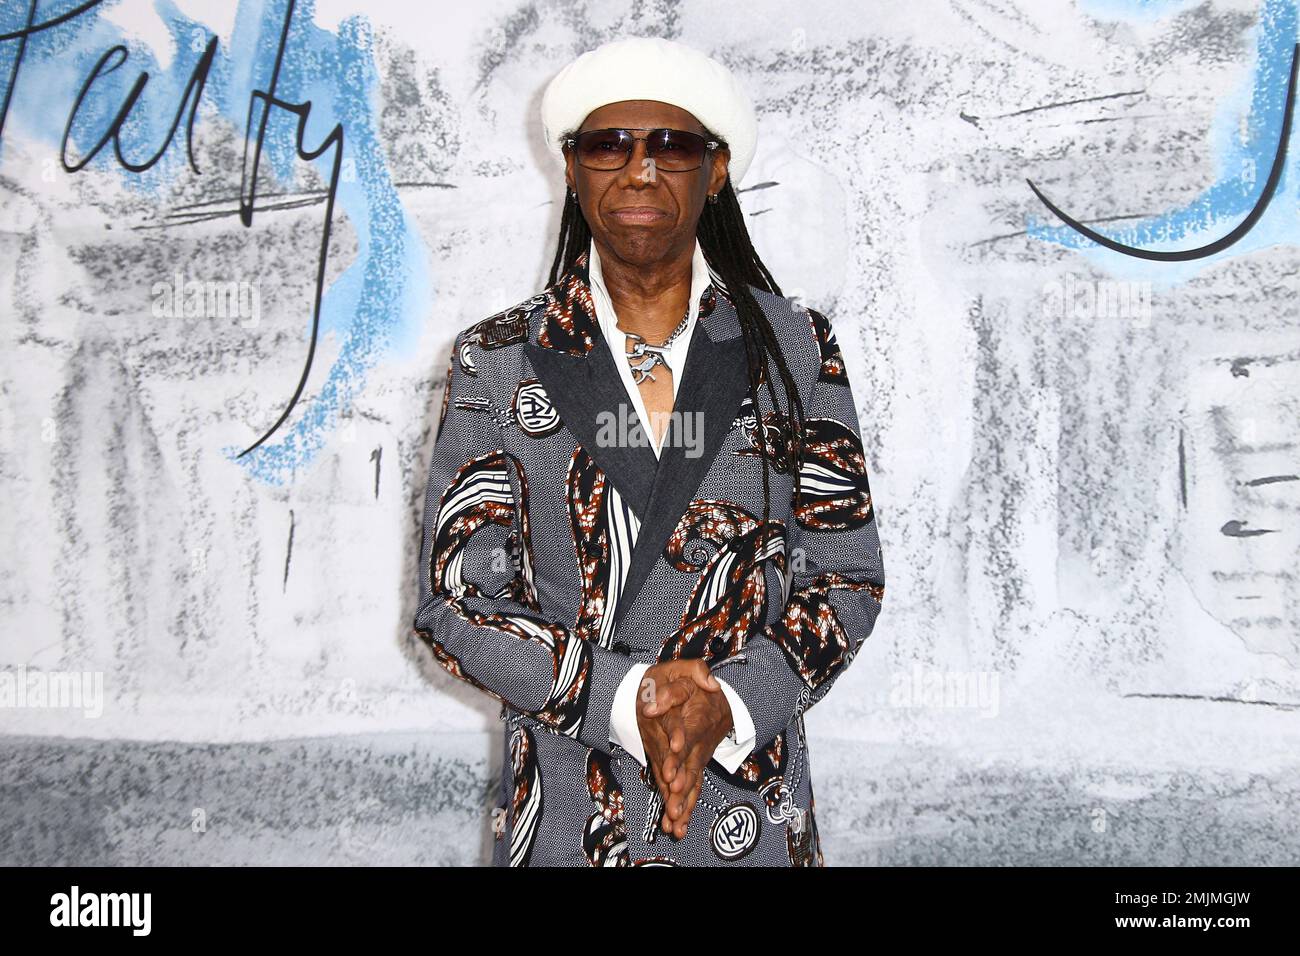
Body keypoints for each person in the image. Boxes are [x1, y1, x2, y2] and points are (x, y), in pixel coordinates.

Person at [413, 35, 886, 866]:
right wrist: (629, 700)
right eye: (609, 145)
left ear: (716, 170)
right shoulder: (497, 357)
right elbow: (455, 604)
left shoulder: (796, 349)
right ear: (572, 168)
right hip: (569, 812)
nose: (639, 170)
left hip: (749, 813)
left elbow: (847, 576)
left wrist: (730, 704)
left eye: (672, 145)